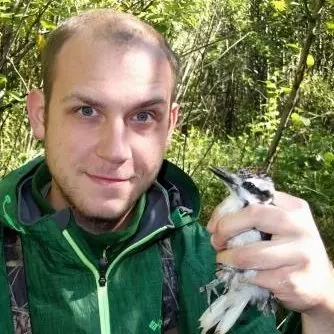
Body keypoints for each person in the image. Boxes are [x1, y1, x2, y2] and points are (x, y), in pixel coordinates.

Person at [0, 8, 333, 334]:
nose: (115, 151)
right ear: (40, 115)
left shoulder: (215, 259)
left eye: (143, 115)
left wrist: (324, 309)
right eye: (87, 110)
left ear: (170, 125)